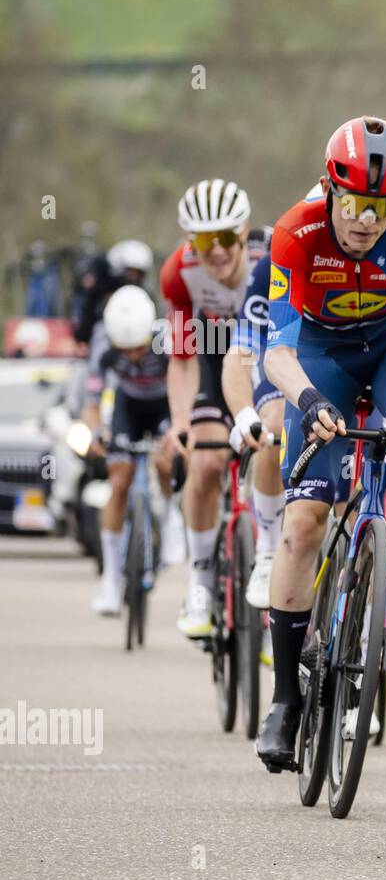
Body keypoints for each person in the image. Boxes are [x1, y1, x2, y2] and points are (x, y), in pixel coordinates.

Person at [254, 116, 386, 771]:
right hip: (318, 357)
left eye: (380, 206)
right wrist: (309, 402)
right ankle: (284, 702)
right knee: (302, 524)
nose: (365, 221)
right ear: (330, 192)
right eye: (354, 204)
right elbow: (275, 351)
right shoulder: (295, 233)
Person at [161, 178, 269, 638]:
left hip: (262, 354)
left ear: (244, 231)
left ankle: (274, 569)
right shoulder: (179, 274)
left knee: (273, 450)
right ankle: (201, 577)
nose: (219, 251)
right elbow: (182, 358)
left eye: (227, 237)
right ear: (191, 241)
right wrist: (182, 423)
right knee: (204, 462)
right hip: (209, 355)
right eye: (207, 241)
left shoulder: (274, 257)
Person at [82, 285, 182, 614]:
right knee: (119, 480)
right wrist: (97, 432)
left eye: (138, 349)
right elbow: (92, 401)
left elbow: (186, 381)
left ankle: (170, 522)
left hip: (165, 403)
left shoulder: (165, 335)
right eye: (125, 351)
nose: (133, 357)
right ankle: (110, 577)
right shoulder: (101, 341)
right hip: (128, 406)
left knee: (166, 462)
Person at [220, 251, 284, 608]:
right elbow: (242, 350)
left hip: (340, 359)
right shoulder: (276, 261)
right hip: (275, 353)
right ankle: (269, 548)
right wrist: (245, 413)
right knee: (271, 428)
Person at [73, 239, 153, 345]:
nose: (133, 276)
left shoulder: (143, 295)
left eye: (137, 272)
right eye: (130, 271)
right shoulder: (101, 292)